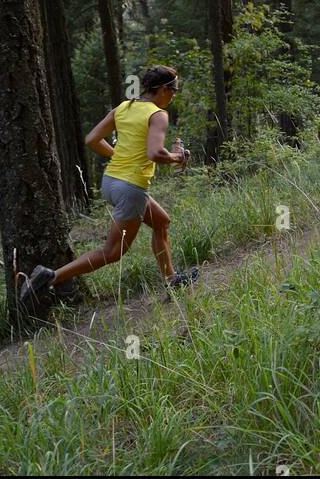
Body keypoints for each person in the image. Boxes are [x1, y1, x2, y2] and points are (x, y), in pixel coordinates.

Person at [20, 65, 199, 309]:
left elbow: (92, 139)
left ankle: (172, 279)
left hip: (111, 182)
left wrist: (120, 155)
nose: (174, 95)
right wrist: (178, 158)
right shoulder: (157, 115)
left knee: (161, 222)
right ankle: (51, 277)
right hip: (131, 188)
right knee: (113, 252)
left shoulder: (124, 107)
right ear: (163, 89)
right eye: (174, 90)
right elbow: (155, 152)